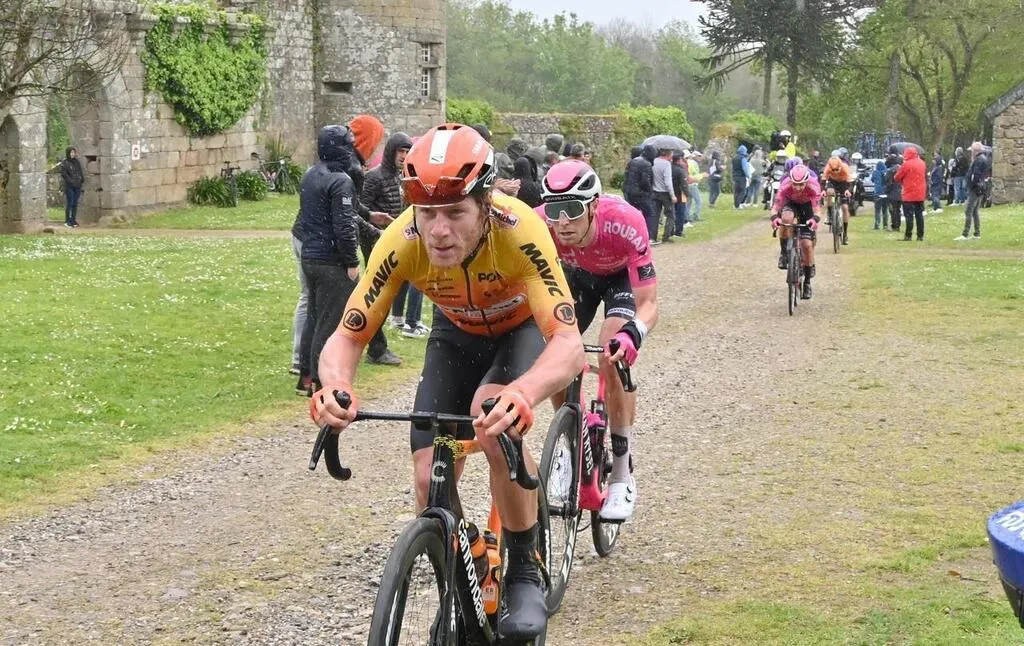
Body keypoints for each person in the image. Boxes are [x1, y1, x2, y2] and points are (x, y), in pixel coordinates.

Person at [312, 123, 584, 640]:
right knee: (428, 474)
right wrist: (334, 388)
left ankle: (524, 564)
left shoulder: (520, 229)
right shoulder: (401, 241)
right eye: (427, 213)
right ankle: (463, 584)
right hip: (454, 335)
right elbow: (347, 337)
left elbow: (568, 345)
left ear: (485, 205)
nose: (438, 229)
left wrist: (523, 393)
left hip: (520, 331)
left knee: (491, 417)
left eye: (455, 213)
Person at [535, 160, 659, 521]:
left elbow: (649, 303)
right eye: (555, 210)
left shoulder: (625, 221)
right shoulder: (539, 222)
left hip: (618, 280)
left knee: (611, 351)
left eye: (572, 210)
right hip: (576, 279)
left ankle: (621, 474)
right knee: (555, 349)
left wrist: (633, 332)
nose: (563, 222)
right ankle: (571, 436)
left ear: (593, 206)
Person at [296, 122, 385, 394]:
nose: (351, 148)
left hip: (310, 256)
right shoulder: (342, 180)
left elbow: (337, 211)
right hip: (330, 260)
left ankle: (305, 377)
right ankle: (323, 383)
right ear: (339, 148)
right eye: (347, 144)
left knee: (313, 316)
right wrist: (351, 262)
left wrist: (369, 216)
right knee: (330, 321)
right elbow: (344, 225)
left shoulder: (311, 174)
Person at [362, 131, 429, 340]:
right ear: (391, 151)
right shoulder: (374, 177)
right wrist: (376, 234)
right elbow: (361, 211)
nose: (403, 155)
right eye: (400, 151)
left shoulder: (404, 178)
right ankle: (373, 336)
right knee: (378, 288)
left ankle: (397, 319)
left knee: (402, 278)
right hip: (376, 240)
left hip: (397, 237)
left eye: (407, 151)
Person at [771, 164, 822, 299]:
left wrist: (814, 219)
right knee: (786, 219)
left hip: (807, 207)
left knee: (806, 245)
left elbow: (817, 209)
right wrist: (775, 218)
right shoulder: (785, 185)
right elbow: (776, 206)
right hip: (790, 203)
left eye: (801, 184)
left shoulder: (814, 186)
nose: (798, 187)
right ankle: (784, 254)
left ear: (806, 181)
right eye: (795, 184)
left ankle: (807, 283)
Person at [956, 141, 990, 240]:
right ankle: (977, 233)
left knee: (969, 210)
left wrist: (971, 185)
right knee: (975, 211)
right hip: (980, 187)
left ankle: (965, 234)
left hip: (976, 188)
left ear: (975, 151)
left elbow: (976, 175)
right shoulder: (983, 159)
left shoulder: (978, 160)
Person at [623, 145, 656, 241]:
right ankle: (648, 237)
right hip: (641, 194)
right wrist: (649, 191)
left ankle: (633, 236)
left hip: (630, 192)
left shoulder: (633, 161)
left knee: (634, 215)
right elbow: (645, 181)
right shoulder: (647, 164)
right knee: (649, 213)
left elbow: (627, 175)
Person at [894, 146, 926, 241]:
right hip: (920, 193)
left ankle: (908, 235)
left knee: (909, 216)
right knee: (919, 215)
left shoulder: (906, 165)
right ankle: (920, 235)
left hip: (909, 193)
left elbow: (897, 177)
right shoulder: (922, 163)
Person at [821, 154, 854, 245]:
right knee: (830, 192)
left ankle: (845, 234)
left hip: (844, 183)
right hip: (833, 183)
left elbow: (850, 184)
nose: (835, 172)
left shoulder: (845, 167)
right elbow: (823, 182)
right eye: (833, 170)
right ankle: (830, 214)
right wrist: (823, 191)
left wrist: (848, 191)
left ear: (840, 166)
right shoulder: (827, 168)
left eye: (837, 170)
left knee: (845, 208)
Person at [651, 148, 676, 243]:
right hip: (665, 193)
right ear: (668, 154)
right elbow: (668, 181)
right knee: (670, 215)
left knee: (655, 216)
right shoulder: (666, 164)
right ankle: (666, 236)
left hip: (654, 191)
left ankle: (652, 237)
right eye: (671, 154)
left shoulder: (654, 161)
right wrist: (672, 195)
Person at [59, 147, 84, 228]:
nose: (73, 154)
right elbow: (64, 174)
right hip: (70, 186)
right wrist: (71, 181)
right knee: (70, 203)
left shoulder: (76, 162)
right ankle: (68, 220)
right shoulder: (65, 163)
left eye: (74, 152)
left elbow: (79, 171)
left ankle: (73, 219)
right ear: (68, 153)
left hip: (77, 185)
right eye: (71, 152)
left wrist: (81, 179)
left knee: (75, 204)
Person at [671, 152, 689, 235]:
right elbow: (683, 184)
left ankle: (670, 230)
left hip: (670, 193)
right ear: (679, 160)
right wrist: (687, 193)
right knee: (680, 213)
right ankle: (678, 231)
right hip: (680, 194)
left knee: (671, 213)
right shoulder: (680, 170)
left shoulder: (669, 168)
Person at [884, 153, 903, 231]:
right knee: (898, 210)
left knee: (893, 210)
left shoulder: (890, 170)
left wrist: (886, 191)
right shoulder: (901, 168)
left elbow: (888, 182)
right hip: (900, 192)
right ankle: (897, 225)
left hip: (892, 193)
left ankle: (894, 226)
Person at [686, 151, 705, 221]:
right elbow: (695, 174)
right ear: (694, 156)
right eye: (699, 156)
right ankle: (696, 216)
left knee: (688, 201)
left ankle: (687, 217)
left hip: (687, 184)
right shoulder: (693, 163)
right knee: (698, 201)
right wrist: (701, 176)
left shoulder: (686, 162)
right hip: (692, 184)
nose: (700, 157)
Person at [871, 160, 889, 231]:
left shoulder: (875, 172)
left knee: (877, 210)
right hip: (885, 193)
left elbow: (872, 180)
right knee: (885, 210)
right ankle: (885, 225)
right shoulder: (887, 172)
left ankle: (877, 225)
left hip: (878, 194)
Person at [732, 144, 750, 209]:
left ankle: (735, 204)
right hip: (741, 177)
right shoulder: (743, 158)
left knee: (736, 191)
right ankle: (738, 204)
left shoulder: (734, 158)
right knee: (742, 191)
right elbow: (744, 168)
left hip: (735, 176)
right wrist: (748, 176)